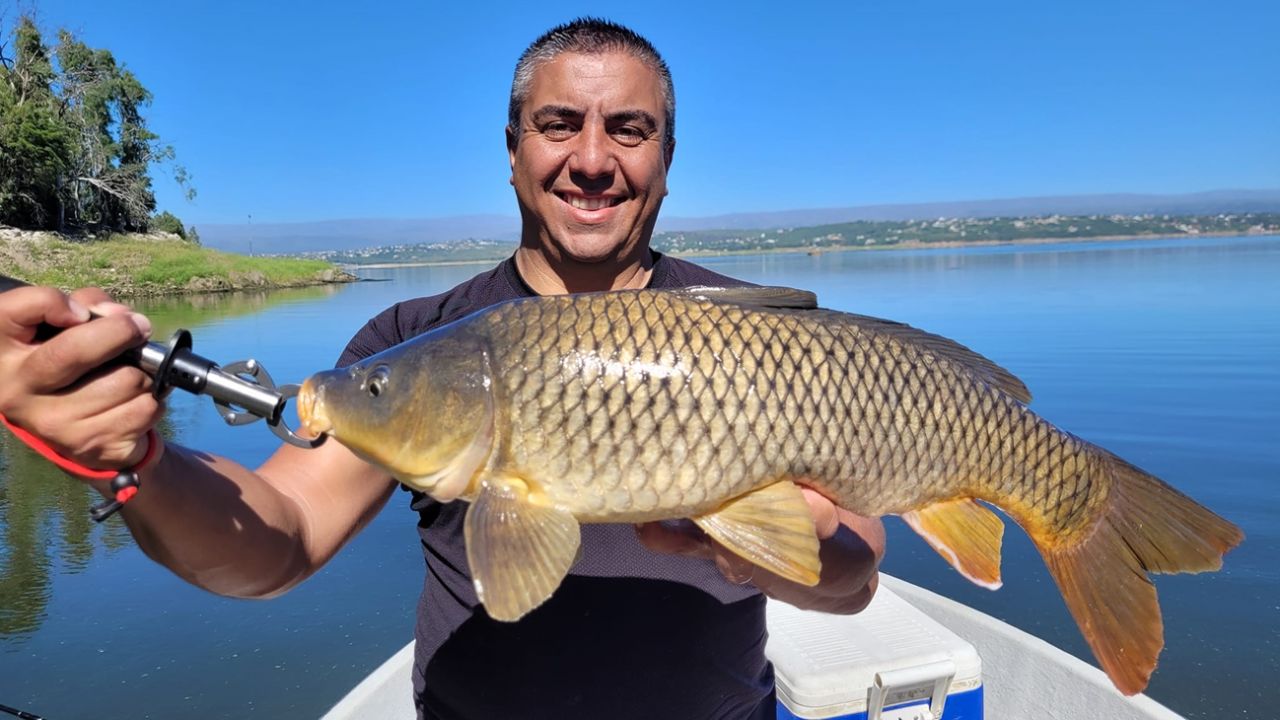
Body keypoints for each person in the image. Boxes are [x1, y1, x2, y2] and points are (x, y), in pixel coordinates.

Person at [0, 18, 884, 720]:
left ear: (666, 160)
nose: (591, 159)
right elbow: (279, 539)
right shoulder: (414, 340)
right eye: (557, 125)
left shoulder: (768, 340)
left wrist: (762, 556)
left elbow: (854, 582)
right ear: (512, 152)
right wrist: (138, 462)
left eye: (629, 130)